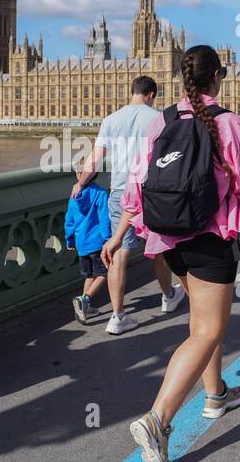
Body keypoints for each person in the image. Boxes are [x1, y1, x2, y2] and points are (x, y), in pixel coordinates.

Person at [103, 45, 240, 462]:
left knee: (203, 325)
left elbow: (137, 187)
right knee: (209, 327)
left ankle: (215, 394)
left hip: (168, 239)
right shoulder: (227, 122)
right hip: (209, 238)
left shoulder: (161, 122)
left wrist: (120, 232)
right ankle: (158, 420)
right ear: (217, 78)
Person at [72, 76, 185, 335]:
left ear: (132, 92)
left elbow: (95, 159)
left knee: (118, 253)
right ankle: (168, 297)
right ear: (152, 94)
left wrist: (80, 183)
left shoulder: (111, 120)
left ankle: (117, 315)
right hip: (152, 193)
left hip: (120, 192)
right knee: (158, 249)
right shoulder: (160, 119)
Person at [65, 179, 111, 323]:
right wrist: (107, 240)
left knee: (90, 275)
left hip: (82, 244)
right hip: (97, 243)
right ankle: (84, 299)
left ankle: (85, 307)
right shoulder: (101, 193)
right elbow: (104, 220)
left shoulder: (73, 196)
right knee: (104, 272)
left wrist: (69, 240)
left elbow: (69, 221)